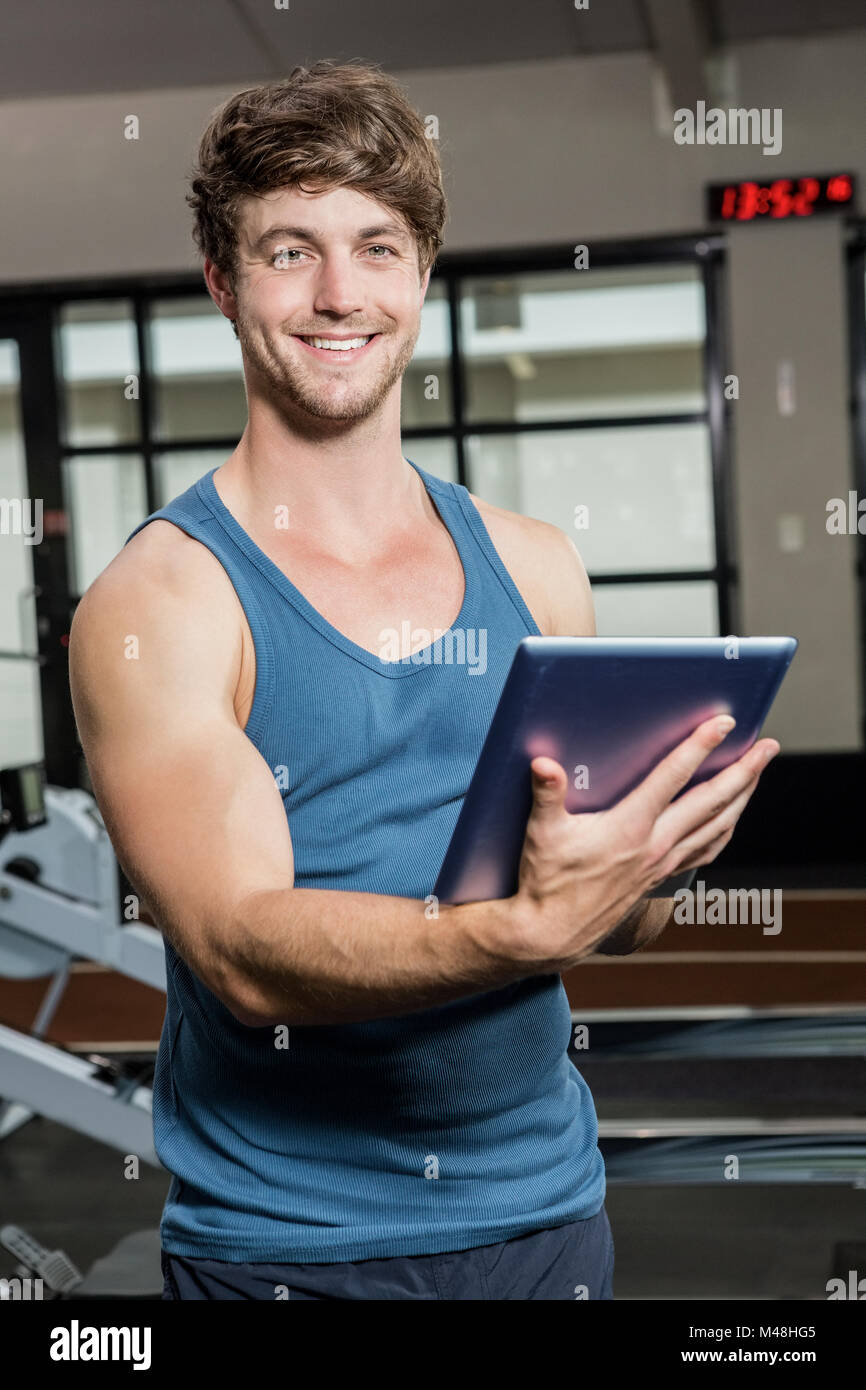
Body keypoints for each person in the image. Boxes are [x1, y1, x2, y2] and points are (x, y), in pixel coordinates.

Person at [68, 59, 778, 1301]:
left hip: (550, 1219)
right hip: (288, 1250)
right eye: (290, 250)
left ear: (421, 274)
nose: (339, 293)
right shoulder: (161, 601)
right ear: (223, 282)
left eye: (376, 246)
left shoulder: (537, 568)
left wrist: (651, 858)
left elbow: (612, 921)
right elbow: (241, 947)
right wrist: (514, 929)